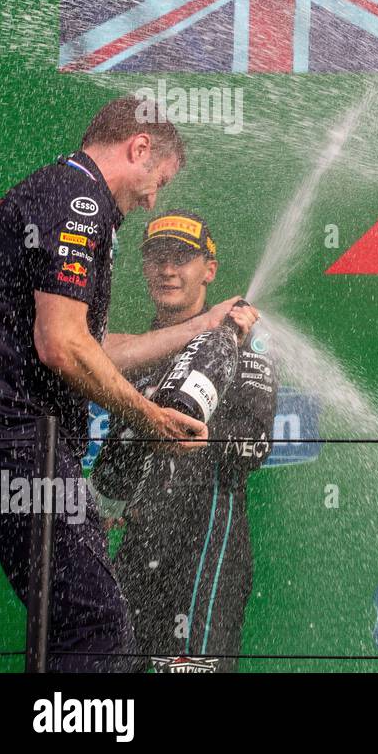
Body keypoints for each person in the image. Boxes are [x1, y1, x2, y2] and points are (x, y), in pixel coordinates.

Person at [0, 96, 256, 672]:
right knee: (96, 624)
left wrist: (204, 327)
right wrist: (149, 416)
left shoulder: (61, 194)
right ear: (138, 148)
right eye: (159, 179)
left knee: (74, 624)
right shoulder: (79, 202)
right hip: (22, 443)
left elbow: (95, 347)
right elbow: (62, 345)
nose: (154, 197)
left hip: (22, 445)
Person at [91, 210, 277, 673]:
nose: (168, 269)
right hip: (137, 554)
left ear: (209, 270)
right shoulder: (133, 352)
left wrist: (199, 435)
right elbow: (116, 467)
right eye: (157, 257)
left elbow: (256, 446)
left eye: (183, 258)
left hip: (207, 557)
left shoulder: (241, 346)